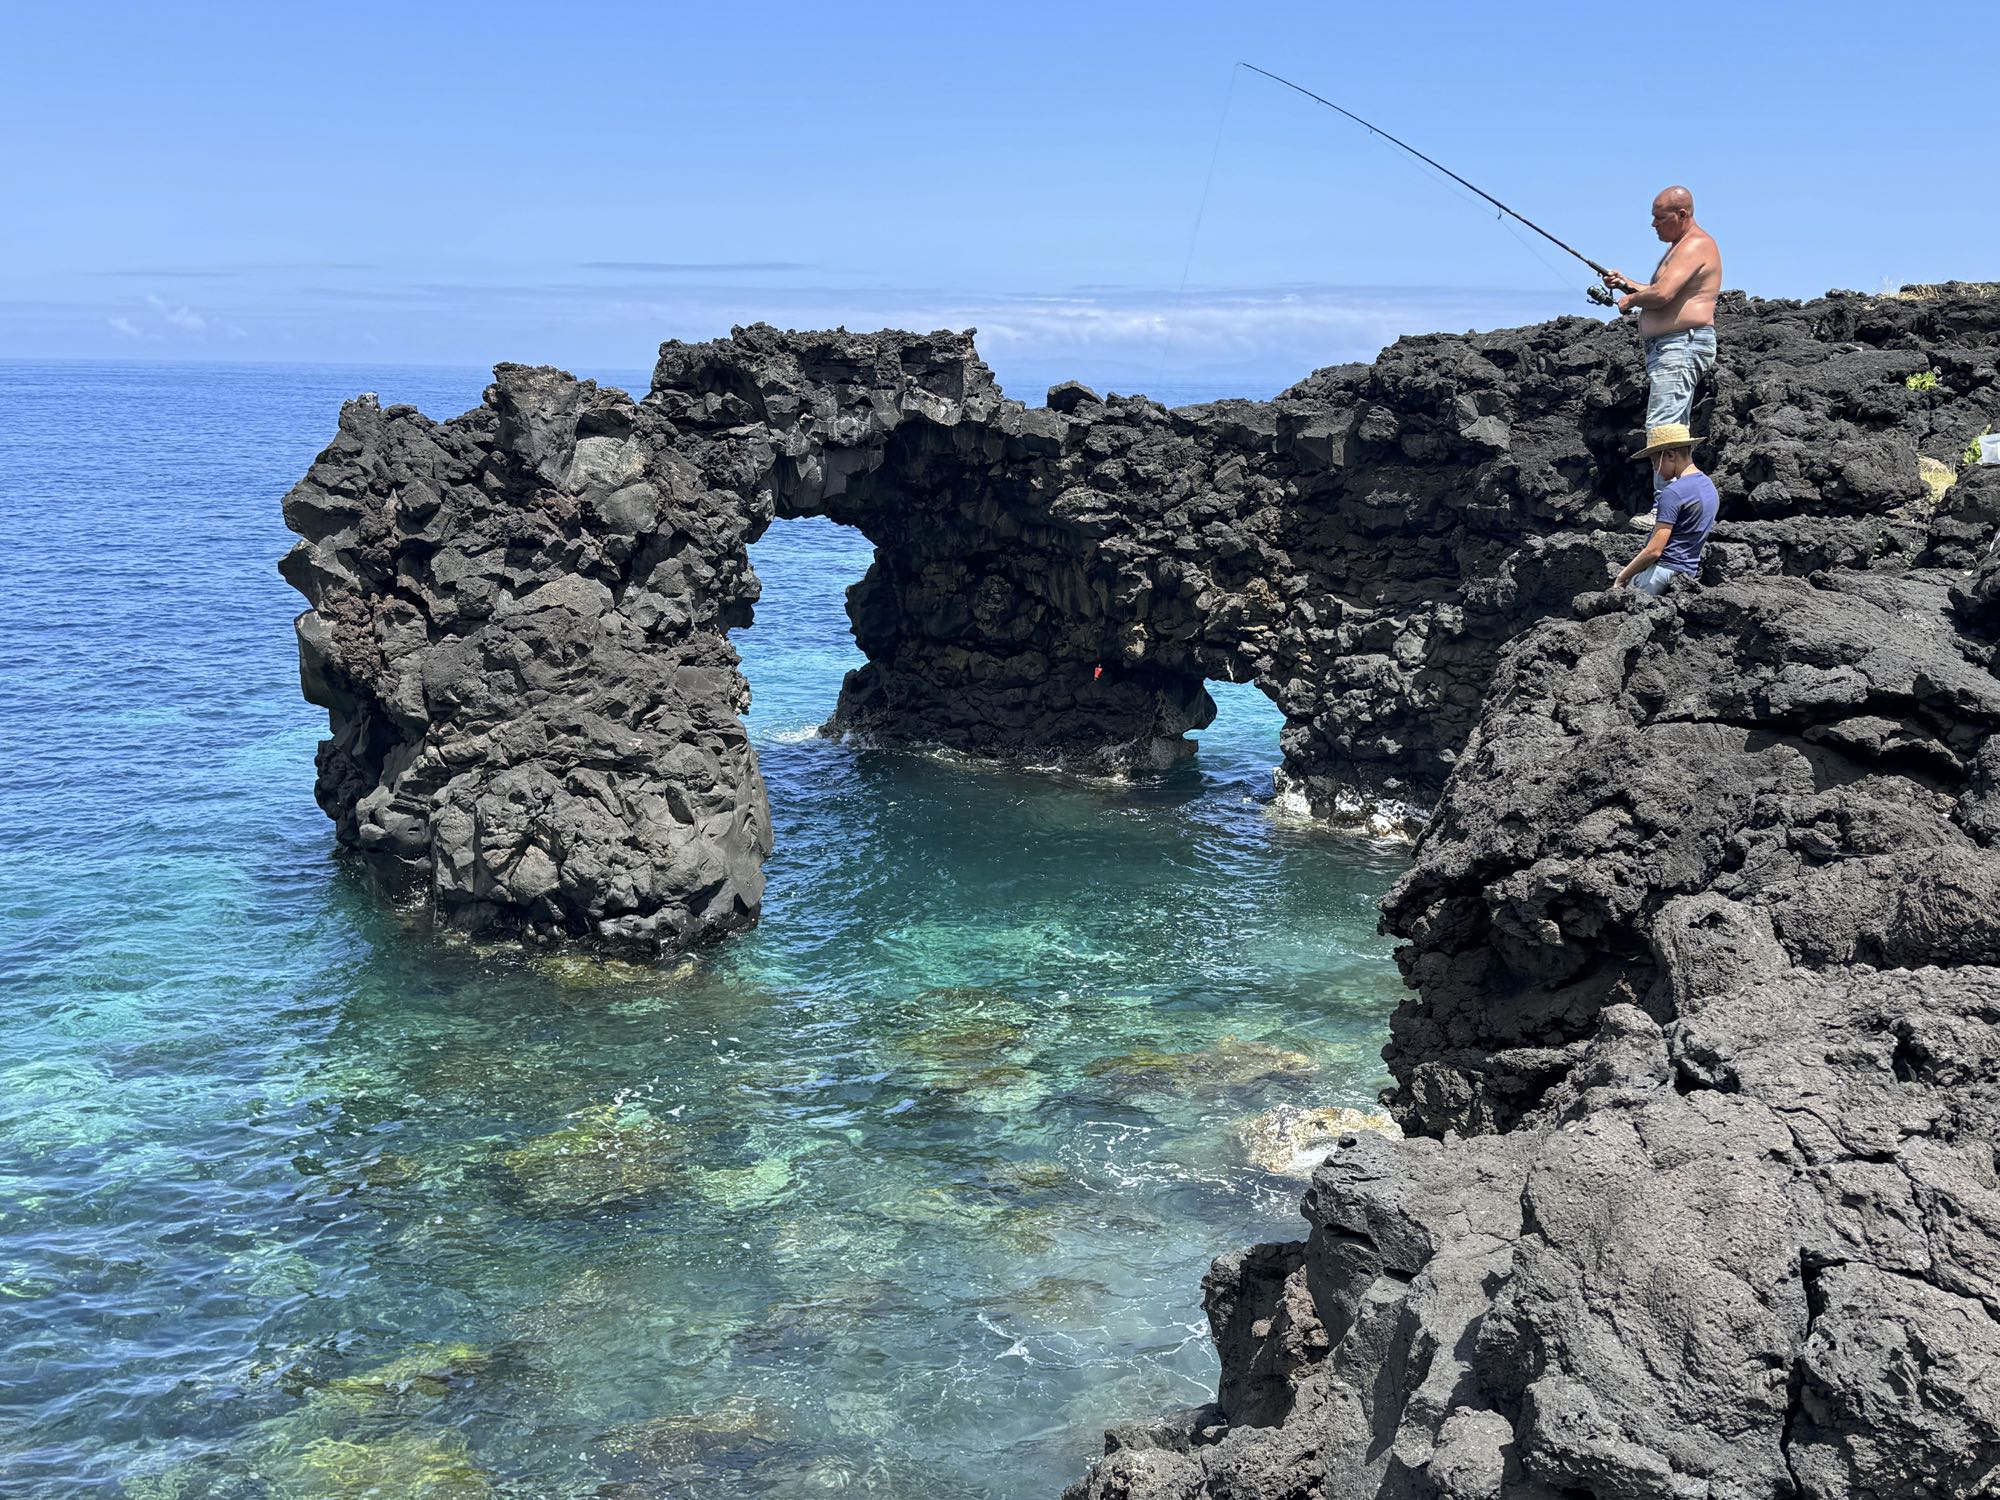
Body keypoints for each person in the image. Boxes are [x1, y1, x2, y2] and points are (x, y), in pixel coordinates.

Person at [1602, 186, 1722, 520]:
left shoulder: (1696, 244)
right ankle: (1678, 505)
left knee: (1664, 425)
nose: (1653, 224)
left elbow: (1663, 294)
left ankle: (1666, 509)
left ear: (1681, 215)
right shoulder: (1680, 247)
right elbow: (1660, 290)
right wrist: (1628, 284)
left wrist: (1631, 300)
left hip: (1682, 344)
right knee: (1671, 424)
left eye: (1659, 217)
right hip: (1671, 346)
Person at [1617, 424, 1717, 595]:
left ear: (1670, 455)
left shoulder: (1673, 492)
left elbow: (1654, 551)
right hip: (1687, 576)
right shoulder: (1708, 485)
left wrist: (1623, 576)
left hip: (1660, 574)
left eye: (1654, 460)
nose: (1654, 468)